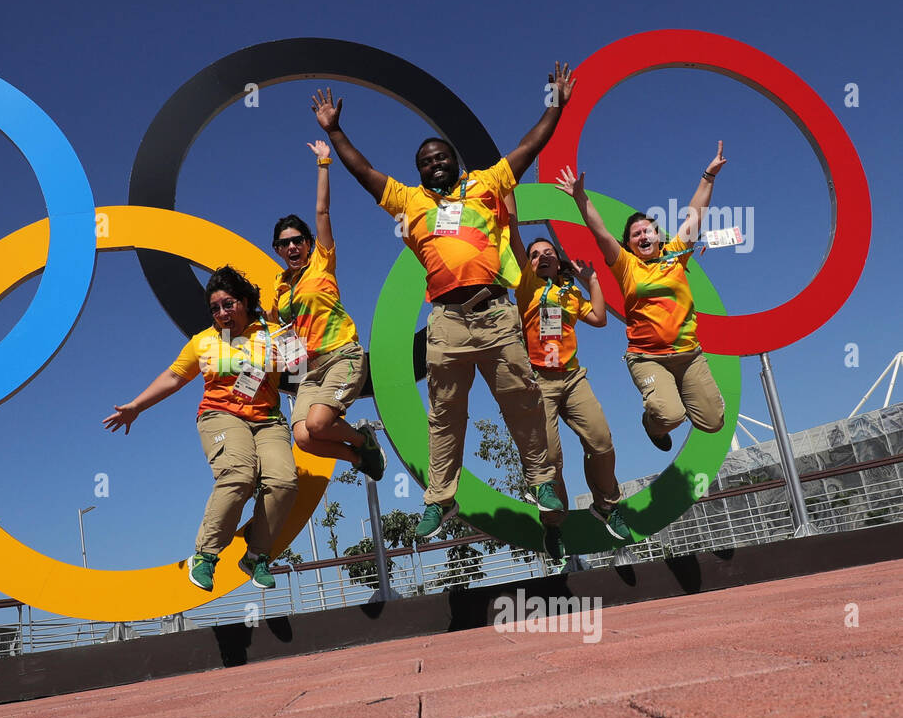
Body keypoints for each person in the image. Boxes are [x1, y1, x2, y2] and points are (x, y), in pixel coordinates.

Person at [311, 66, 575, 540]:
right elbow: (364, 172)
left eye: (441, 158)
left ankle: (542, 483)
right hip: (446, 322)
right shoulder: (409, 201)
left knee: (523, 403)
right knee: (445, 415)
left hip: (494, 314)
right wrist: (335, 131)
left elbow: (527, 148)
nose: (434, 164)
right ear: (419, 171)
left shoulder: (486, 184)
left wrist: (555, 106)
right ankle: (440, 500)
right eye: (427, 161)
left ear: (454, 161)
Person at [103, 267, 296, 592]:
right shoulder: (203, 342)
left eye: (229, 304)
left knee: (284, 481)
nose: (222, 313)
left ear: (245, 301)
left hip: (268, 419)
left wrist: (247, 361)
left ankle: (256, 556)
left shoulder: (272, 332)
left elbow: (300, 366)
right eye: (215, 308)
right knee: (239, 474)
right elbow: (175, 377)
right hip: (221, 416)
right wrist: (136, 406)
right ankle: (206, 556)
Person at [555, 141, 728, 451]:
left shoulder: (675, 255)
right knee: (670, 414)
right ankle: (653, 424)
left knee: (714, 422)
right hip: (648, 358)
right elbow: (601, 233)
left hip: (689, 354)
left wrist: (708, 175)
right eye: (635, 234)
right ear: (629, 244)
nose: (643, 235)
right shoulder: (625, 265)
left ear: (658, 237)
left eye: (647, 231)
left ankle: (681, 395)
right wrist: (581, 198)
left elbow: (695, 216)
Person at [504, 202, 633, 563]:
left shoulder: (570, 294)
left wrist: (591, 280)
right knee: (551, 460)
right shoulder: (527, 286)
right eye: (535, 254)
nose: (542, 256)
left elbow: (599, 318)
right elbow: (513, 233)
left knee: (601, 440)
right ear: (528, 264)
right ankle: (554, 525)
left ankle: (607, 506)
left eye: (549, 252)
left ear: (559, 262)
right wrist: (509, 194)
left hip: (573, 378)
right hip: (538, 383)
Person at [271, 139, 385, 481]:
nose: (292, 246)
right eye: (284, 243)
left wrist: (324, 163)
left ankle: (363, 436)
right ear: (277, 249)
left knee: (319, 422)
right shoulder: (280, 288)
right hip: (311, 372)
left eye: (297, 240)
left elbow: (322, 212)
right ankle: (360, 457)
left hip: (342, 357)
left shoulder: (322, 262)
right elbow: (284, 334)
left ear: (308, 243)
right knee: (305, 437)